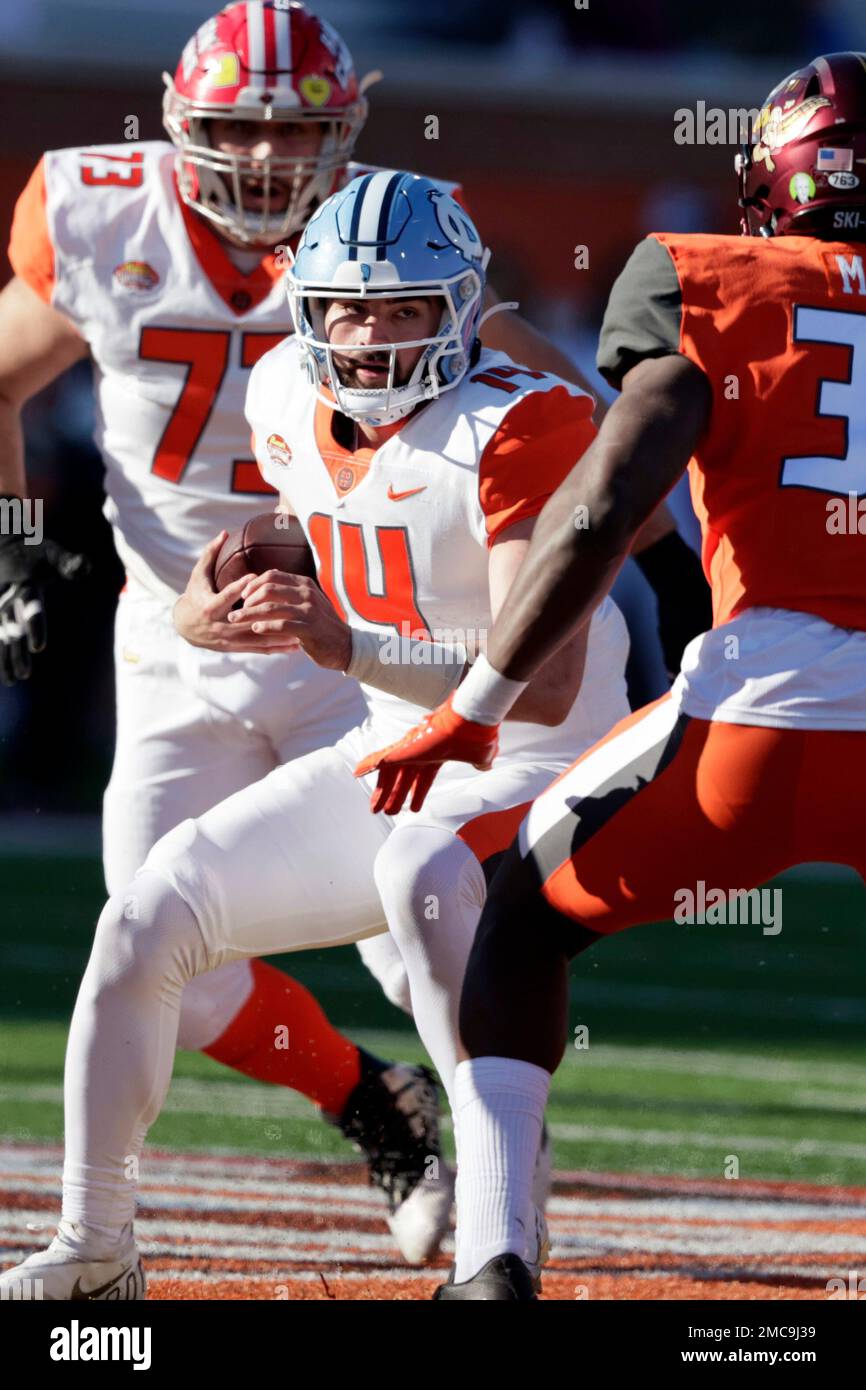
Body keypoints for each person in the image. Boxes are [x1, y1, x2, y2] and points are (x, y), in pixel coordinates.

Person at [0, 1, 652, 1261]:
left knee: (420, 915)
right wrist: (193, 581)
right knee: (141, 924)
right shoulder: (286, 383)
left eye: (405, 310)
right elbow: (329, 522)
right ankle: (99, 1244)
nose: (369, 337)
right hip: (267, 665)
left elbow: (535, 664)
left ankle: (496, 1228)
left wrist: (347, 644)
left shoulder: (512, 413)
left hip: (491, 734)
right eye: (346, 310)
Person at [354, 51, 866, 1298]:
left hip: (763, 720)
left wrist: (472, 707)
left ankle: (493, 1260)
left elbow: (604, 499)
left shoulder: (709, 274)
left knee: (518, 923)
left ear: (770, 181)